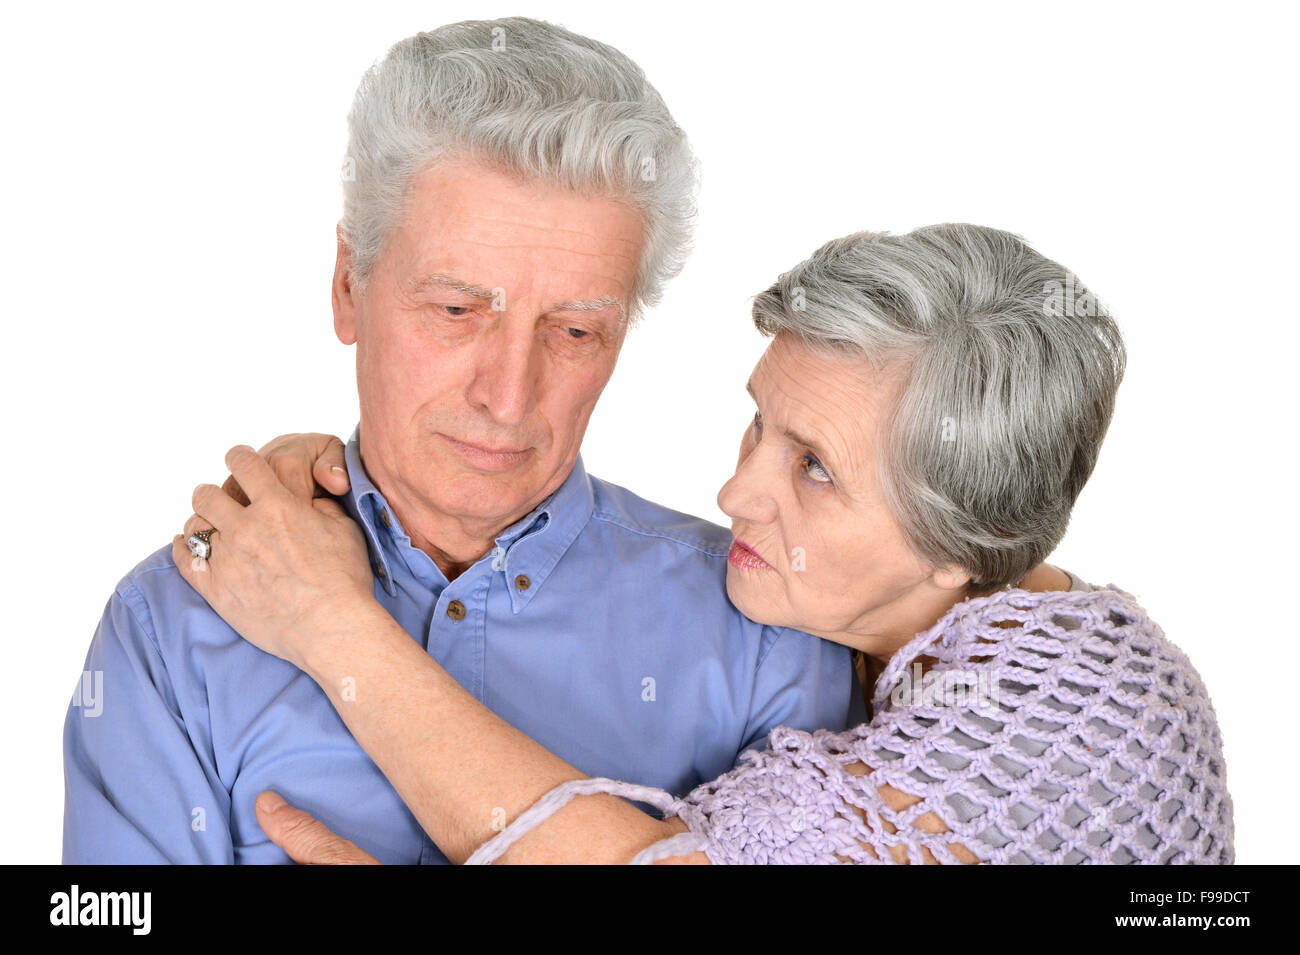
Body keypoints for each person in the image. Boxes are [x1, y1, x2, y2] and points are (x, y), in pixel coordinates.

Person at [61, 17, 862, 865]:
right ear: (347, 285)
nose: (508, 395)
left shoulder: (766, 631)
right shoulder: (171, 626)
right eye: (455, 311)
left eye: (576, 331)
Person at [178, 223, 1235, 864]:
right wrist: (365, 488)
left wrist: (327, 620)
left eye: (812, 466)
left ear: (960, 540)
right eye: (758, 423)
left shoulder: (1085, 723)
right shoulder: (857, 635)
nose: (736, 489)